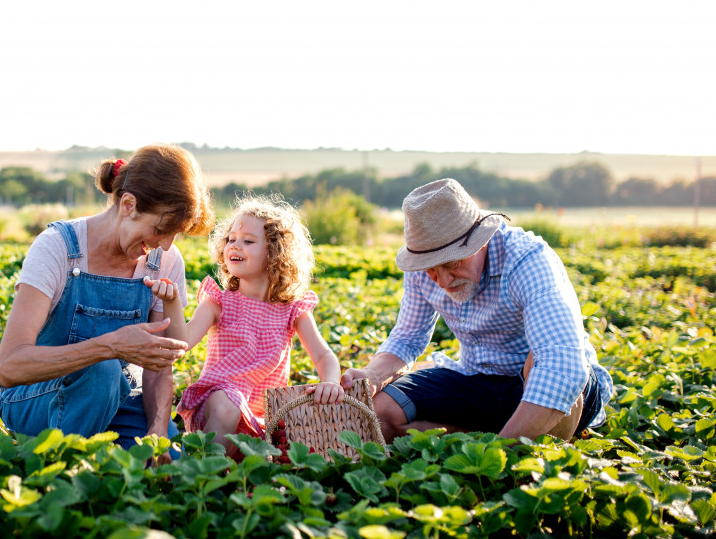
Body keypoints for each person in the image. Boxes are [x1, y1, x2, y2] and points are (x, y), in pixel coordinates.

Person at [341, 178, 614, 442]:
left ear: (480, 240)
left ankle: (512, 445)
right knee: (381, 414)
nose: (444, 280)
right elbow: (407, 338)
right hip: (478, 378)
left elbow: (562, 363)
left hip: (541, 382)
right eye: (431, 269)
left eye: (451, 263)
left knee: (539, 360)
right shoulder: (421, 264)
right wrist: (372, 375)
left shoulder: (527, 260)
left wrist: (499, 453)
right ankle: (493, 438)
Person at [0, 143, 215, 461]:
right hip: (36, 396)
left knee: (168, 468)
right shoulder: (57, 248)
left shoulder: (164, 261)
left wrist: (156, 428)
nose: (165, 245)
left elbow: (157, 366)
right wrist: (110, 346)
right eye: (160, 230)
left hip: (123, 399)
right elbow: (11, 367)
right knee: (103, 374)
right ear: (128, 204)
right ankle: (57, 472)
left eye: (175, 234)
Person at [149, 196, 343, 456]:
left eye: (248, 241)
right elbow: (181, 343)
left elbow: (322, 355)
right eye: (230, 239)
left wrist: (330, 382)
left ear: (276, 253)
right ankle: (203, 473)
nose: (234, 245)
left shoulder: (292, 310)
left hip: (262, 417)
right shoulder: (218, 302)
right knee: (228, 403)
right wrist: (171, 301)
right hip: (218, 405)